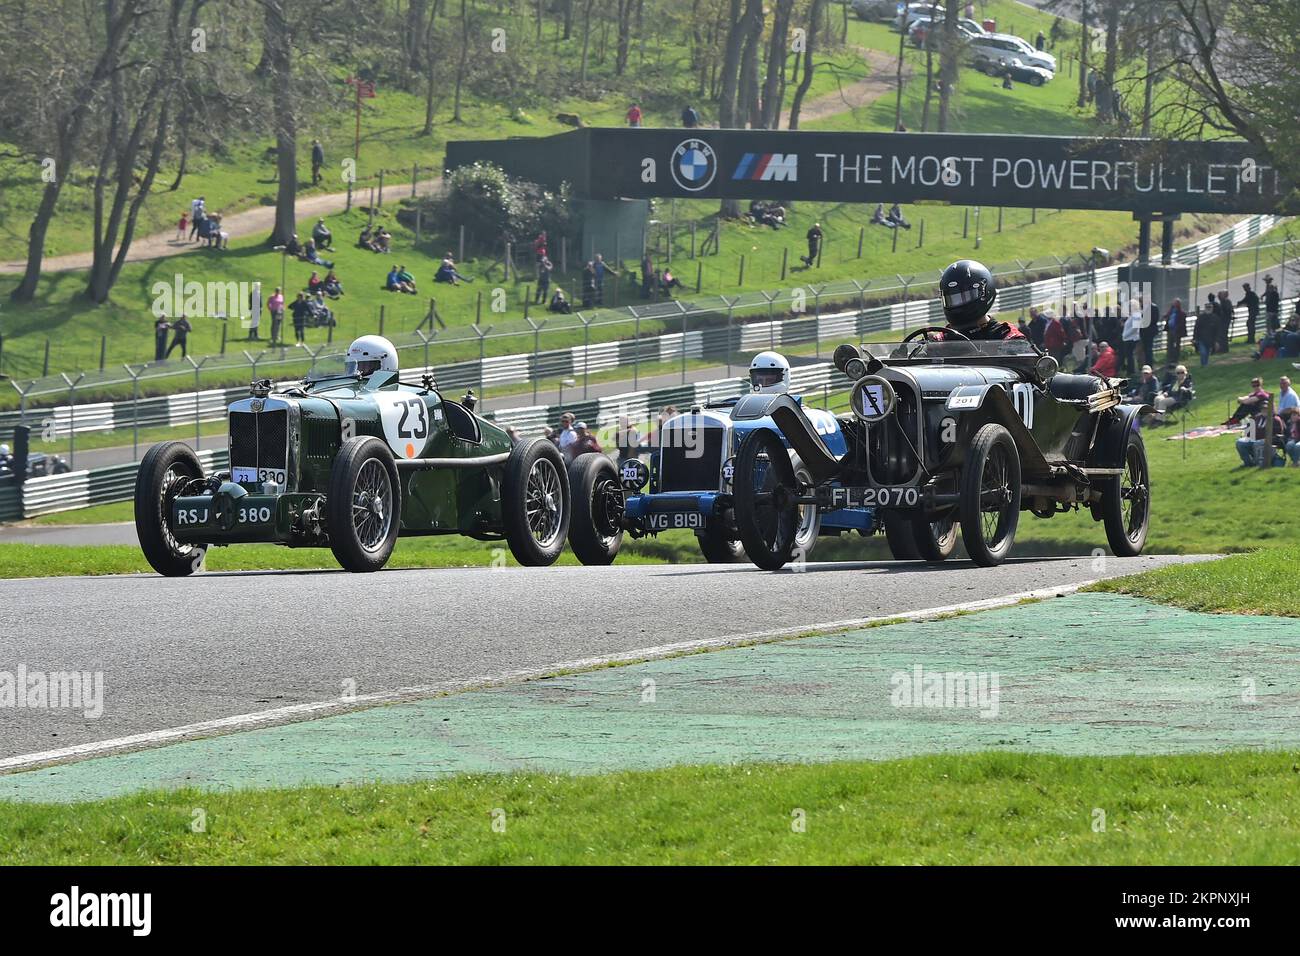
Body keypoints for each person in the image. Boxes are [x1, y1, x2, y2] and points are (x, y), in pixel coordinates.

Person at [936, 259, 1025, 341]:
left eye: (965, 297)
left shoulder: (1007, 336)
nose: (957, 303)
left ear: (984, 292)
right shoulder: (940, 341)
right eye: (951, 299)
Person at [1121, 299, 1143, 376]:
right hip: (1128, 338)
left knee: (1131, 356)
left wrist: (1125, 335)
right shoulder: (1132, 315)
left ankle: (1132, 371)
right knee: (1129, 356)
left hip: (1132, 338)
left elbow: (1135, 328)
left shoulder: (1137, 315)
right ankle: (1130, 370)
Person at [1192, 301, 1216, 366]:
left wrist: (1216, 340)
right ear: (1205, 308)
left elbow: (1217, 329)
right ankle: (1204, 365)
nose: (1208, 308)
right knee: (1203, 352)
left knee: (1207, 353)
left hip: (1210, 339)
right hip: (1201, 338)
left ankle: (1205, 364)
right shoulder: (1201, 317)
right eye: (1207, 307)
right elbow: (1196, 328)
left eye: (1210, 307)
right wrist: (1194, 338)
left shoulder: (1214, 318)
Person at [1163, 297, 1186, 366]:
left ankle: (1175, 359)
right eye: (1174, 303)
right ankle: (1169, 359)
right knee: (1170, 345)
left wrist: (1177, 328)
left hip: (1177, 331)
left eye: (1176, 303)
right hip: (1170, 330)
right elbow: (1167, 316)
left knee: (1176, 345)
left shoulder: (1181, 313)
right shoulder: (1171, 311)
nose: (1175, 304)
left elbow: (1182, 322)